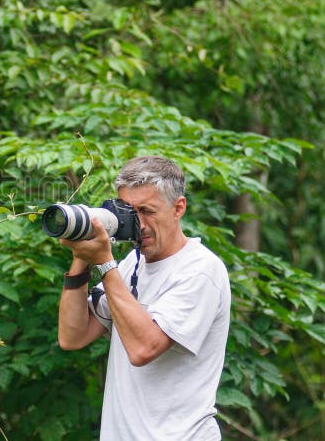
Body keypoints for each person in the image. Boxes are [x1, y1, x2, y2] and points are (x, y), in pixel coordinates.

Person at [57, 156, 230, 440]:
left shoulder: (201, 271)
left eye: (147, 211)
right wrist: (81, 258)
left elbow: (143, 349)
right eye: (130, 211)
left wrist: (104, 263)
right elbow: (72, 336)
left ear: (178, 208)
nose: (139, 224)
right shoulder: (129, 266)